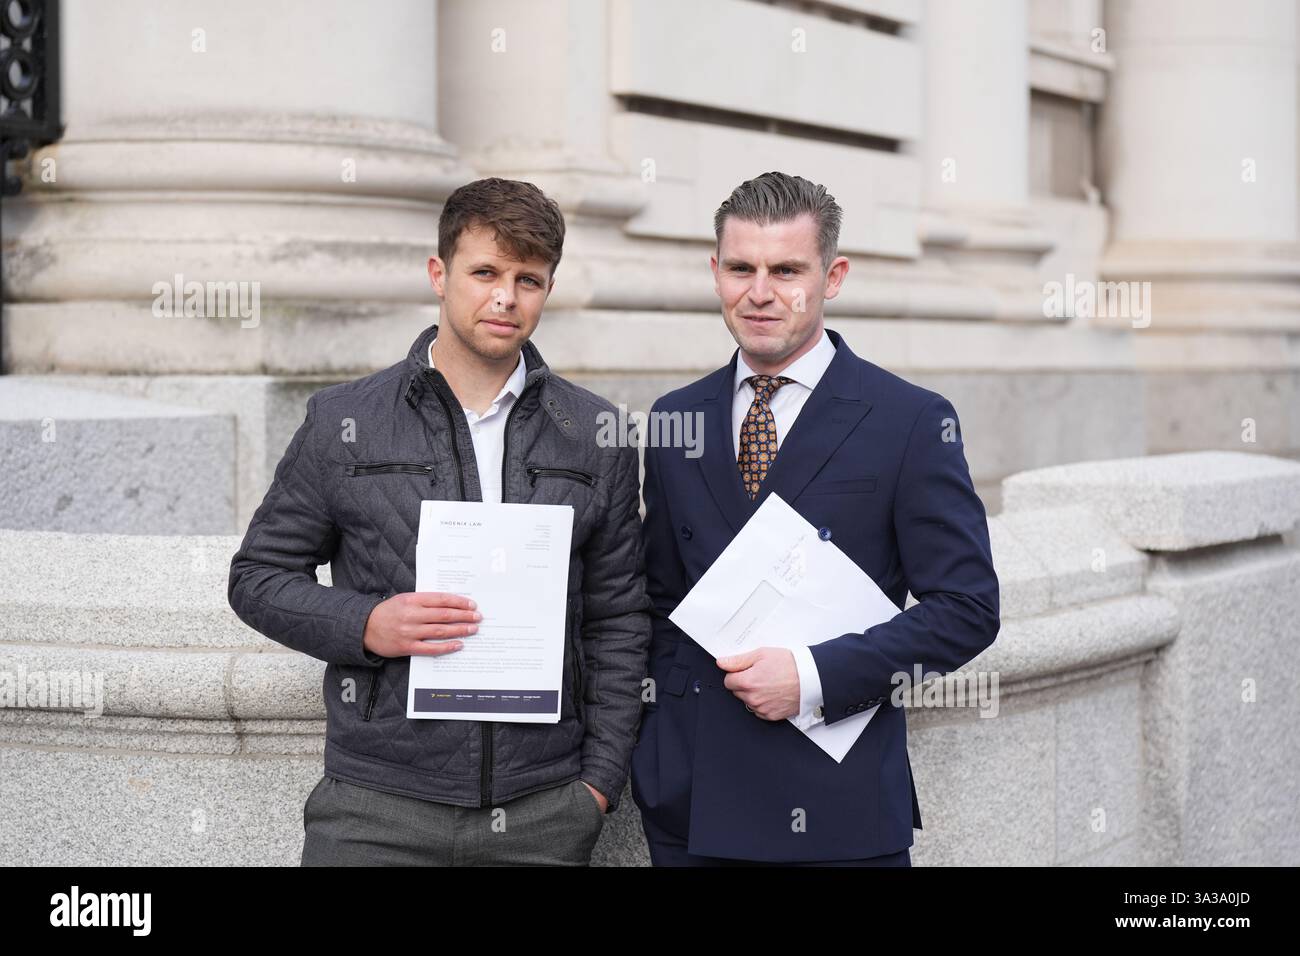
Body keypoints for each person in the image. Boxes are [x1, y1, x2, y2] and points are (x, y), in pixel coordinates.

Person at [228, 177, 650, 866]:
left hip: (541, 810)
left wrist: (597, 785)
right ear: (439, 274)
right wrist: (366, 624)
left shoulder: (595, 433)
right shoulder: (344, 421)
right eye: (484, 272)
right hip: (375, 806)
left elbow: (620, 616)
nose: (505, 297)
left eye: (529, 280)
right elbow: (257, 578)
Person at [630, 171, 1000, 866]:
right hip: (692, 802)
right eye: (741, 267)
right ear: (716, 273)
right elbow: (661, 602)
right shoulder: (676, 417)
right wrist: (653, 752)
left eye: (787, 270)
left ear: (833, 278)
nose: (761, 292)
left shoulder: (912, 421)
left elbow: (968, 609)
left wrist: (813, 676)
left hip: (839, 809)